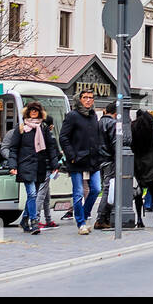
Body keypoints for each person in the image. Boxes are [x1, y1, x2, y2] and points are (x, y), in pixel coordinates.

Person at [60, 91, 104, 234]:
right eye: (85, 97)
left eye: (91, 98)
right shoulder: (72, 116)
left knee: (96, 189)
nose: (88, 100)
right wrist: (71, 155)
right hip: (77, 160)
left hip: (93, 159)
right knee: (78, 192)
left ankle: (84, 216)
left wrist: (99, 151)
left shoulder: (93, 115)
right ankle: (80, 223)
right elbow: (63, 137)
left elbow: (96, 136)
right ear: (79, 99)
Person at [9, 102, 55, 235]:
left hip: (40, 165)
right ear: (27, 112)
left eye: (36, 110)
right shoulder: (21, 127)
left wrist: (54, 164)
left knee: (33, 196)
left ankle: (24, 219)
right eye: (31, 110)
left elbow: (50, 147)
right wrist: (13, 165)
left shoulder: (43, 128)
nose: (34, 112)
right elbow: (13, 148)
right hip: (25, 165)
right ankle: (34, 221)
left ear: (40, 112)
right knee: (32, 194)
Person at [130, 110, 153, 228]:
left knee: (138, 194)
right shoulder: (152, 131)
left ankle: (139, 219)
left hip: (137, 165)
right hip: (151, 166)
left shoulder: (133, 129)